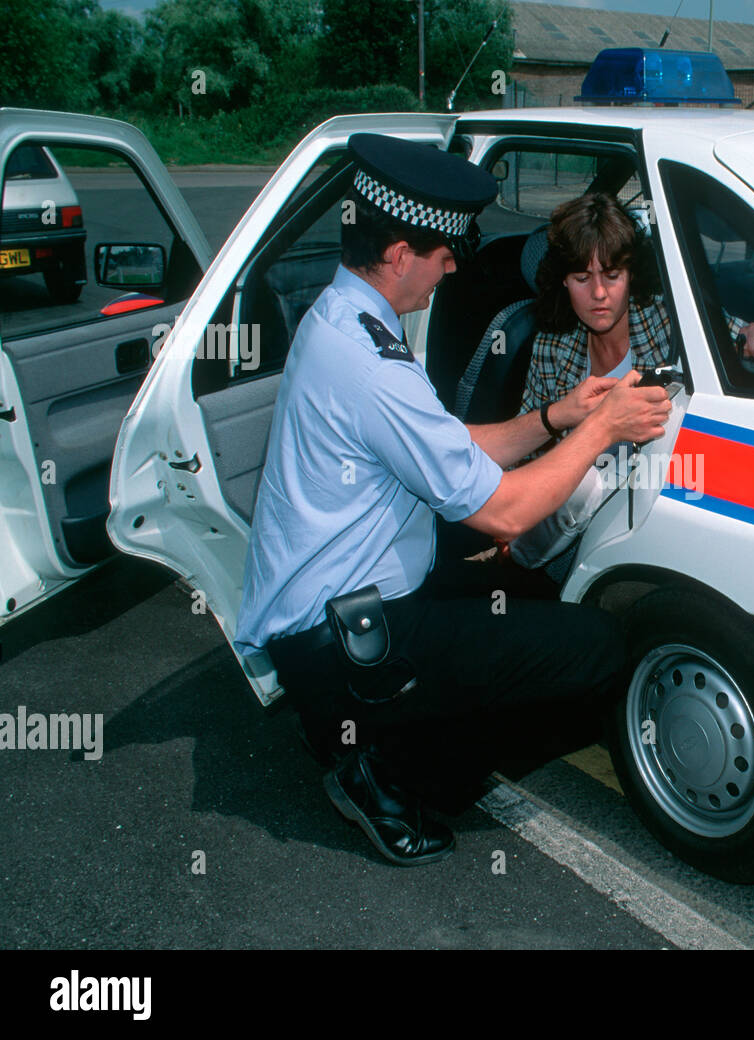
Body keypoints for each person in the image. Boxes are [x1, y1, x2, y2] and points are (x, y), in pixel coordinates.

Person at [233, 134, 671, 866]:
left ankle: (386, 726)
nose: (454, 269)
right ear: (401, 253)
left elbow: (445, 445)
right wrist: (602, 428)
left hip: (342, 609)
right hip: (349, 644)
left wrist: (555, 418)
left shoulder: (341, 319)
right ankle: (388, 770)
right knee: (594, 649)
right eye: (444, 255)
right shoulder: (370, 365)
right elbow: (502, 511)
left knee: (516, 583)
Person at [506, 192, 754, 568]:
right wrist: (514, 525)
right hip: (572, 530)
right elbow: (531, 445)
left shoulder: (666, 319)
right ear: (563, 281)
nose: (599, 293)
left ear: (631, 276)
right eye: (582, 277)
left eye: (613, 276)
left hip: (659, 515)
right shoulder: (552, 347)